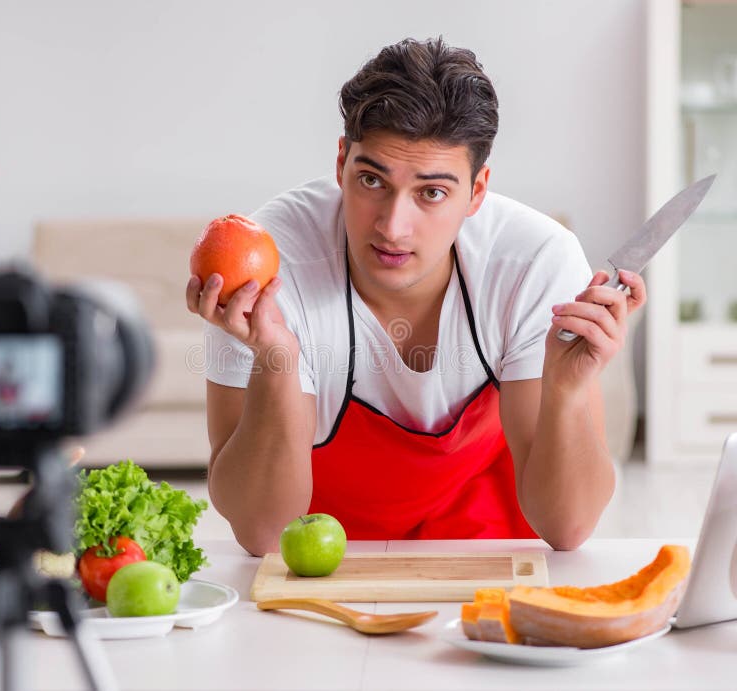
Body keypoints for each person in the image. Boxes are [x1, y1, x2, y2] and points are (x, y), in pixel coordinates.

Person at [186, 37, 645, 555]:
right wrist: (276, 359)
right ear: (341, 164)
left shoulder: (535, 262)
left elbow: (567, 528)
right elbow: (264, 535)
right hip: (327, 550)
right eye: (372, 180)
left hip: (484, 546)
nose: (392, 227)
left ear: (476, 192)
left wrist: (567, 390)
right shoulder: (265, 268)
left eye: (431, 192)